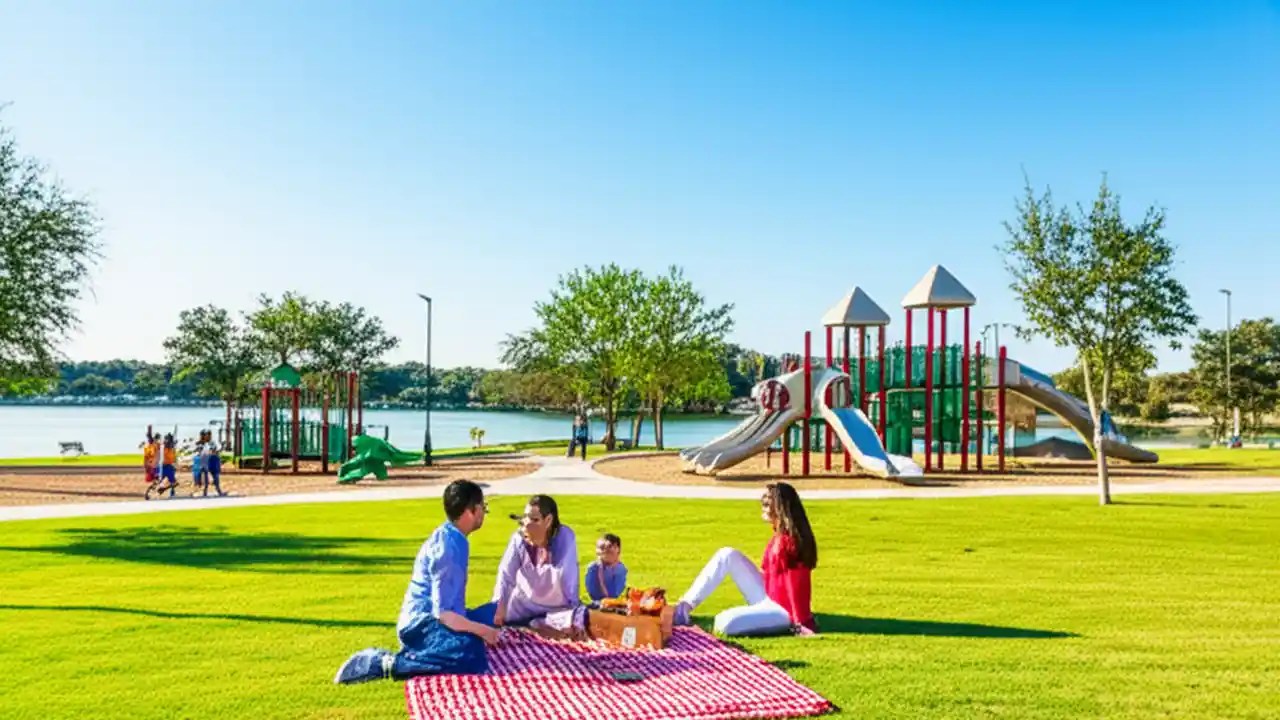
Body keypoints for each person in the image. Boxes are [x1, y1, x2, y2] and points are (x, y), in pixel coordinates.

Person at [334, 479, 499, 684]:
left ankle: (441, 648)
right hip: (422, 624)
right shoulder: (449, 548)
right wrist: (483, 631)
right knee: (469, 656)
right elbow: (444, 615)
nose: (484, 512)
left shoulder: (453, 536)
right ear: (469, 511)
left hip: (447, 618)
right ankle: (388, 663)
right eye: (482, 507)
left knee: (494, 614)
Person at [671, 482, 818, 636]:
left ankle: (763, 615)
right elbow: (767, 574)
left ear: (780, 508)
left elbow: (798, 584)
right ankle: (684, 608)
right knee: (727, 554)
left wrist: (801, 622)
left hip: (781, 611)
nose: (763, 507)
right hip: (769, 595)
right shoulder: (778, 537)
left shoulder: (790, 543)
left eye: (767, 504)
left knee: (724, 623)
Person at [479, 494, 583, 637]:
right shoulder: (519, 539)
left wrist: (573, 609)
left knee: (577, 620)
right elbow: (506, 575)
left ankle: (541, 625)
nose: (528, 524)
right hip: (524, 604)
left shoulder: (564, 538)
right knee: (489, 616)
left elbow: (569, 578)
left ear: (548, 521)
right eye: (527, 518)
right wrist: (499, 606)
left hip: (557, 607)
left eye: (535, 520)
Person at [584, 533, 628, 603]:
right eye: (601, 548)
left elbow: (615, 591)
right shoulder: (593, 568)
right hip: (597, 602)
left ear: (618, 550)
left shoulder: (620, 569)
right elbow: (592, 590)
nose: (605, 551)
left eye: (610, 547)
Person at [201, 430, 225, 496]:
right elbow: (206, 454)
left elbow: (215, 451)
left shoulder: (212, 443)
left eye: (209, 435)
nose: (207, 436)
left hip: (213, 462)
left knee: (215, 478)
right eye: (206, 435)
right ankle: (205, 492)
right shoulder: (205, 444)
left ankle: (219, 491)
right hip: (208, 462)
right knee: (207, 480)